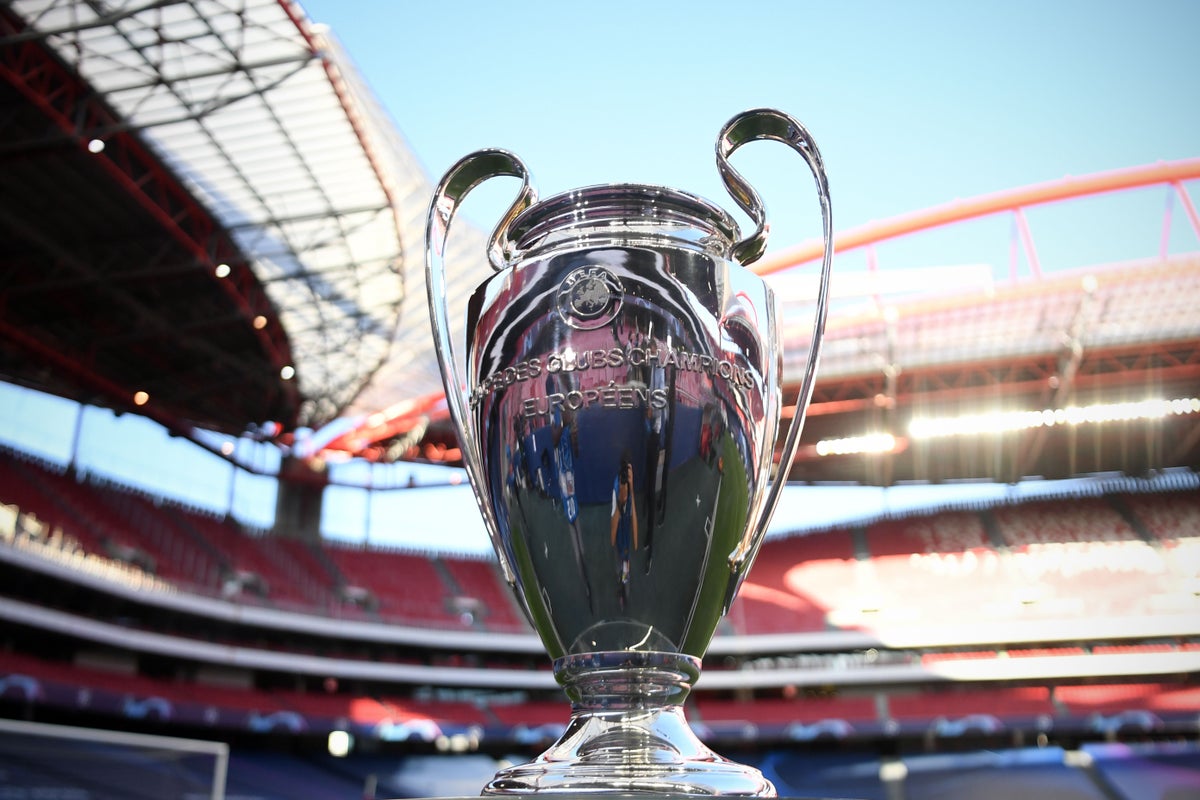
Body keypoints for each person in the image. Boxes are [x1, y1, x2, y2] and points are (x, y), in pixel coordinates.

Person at [610, 455, 637, 598]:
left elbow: (633, 515)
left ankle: (625, 585)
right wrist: (620, 504)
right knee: (618, 565)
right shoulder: (616, 491)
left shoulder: (630, 491)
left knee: (626, 564)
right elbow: (612, 537)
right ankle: (619, 582)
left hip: (626, 538)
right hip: (619, 537)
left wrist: (630, 490)